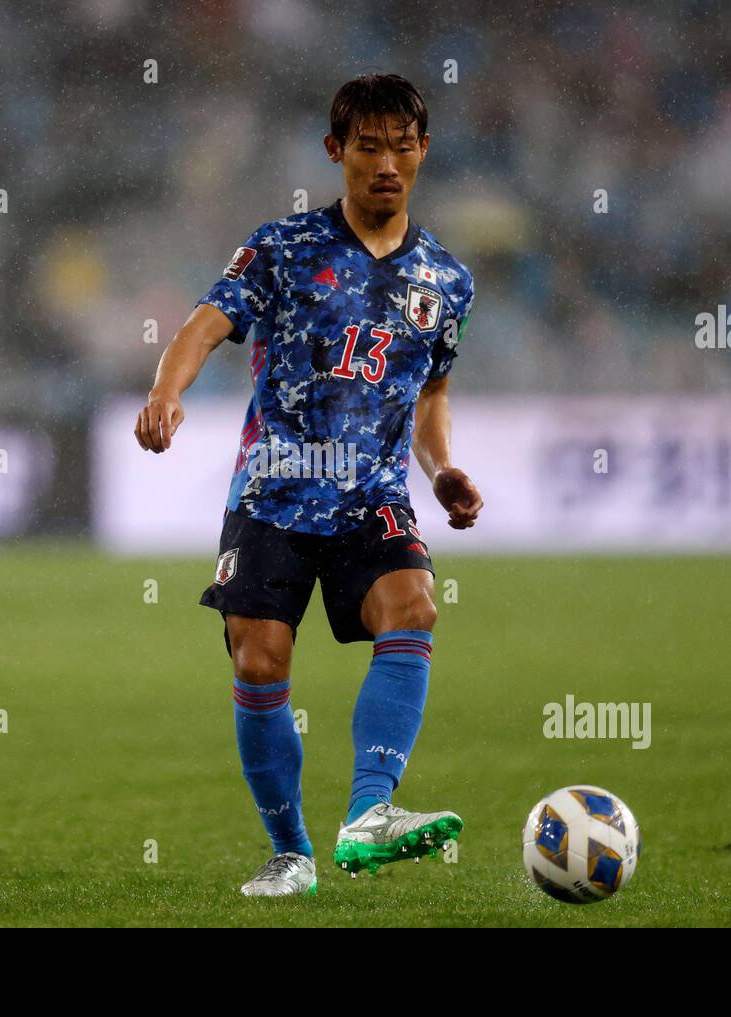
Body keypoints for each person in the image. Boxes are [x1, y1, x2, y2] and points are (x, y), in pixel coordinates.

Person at [135, 74, 482, 897]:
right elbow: (206, 322)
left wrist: (442, 472)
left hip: (373, 498)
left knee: (416, 605)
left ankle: (370, 811)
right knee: (260, 662)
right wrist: (166, 390)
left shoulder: (446, 280)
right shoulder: (283, 248)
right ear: (337, 152)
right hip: (276, 494)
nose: (388, 162)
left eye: (403, 144)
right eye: (369, 145)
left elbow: (429, 393)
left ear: (424, 151)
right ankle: (291, 852)